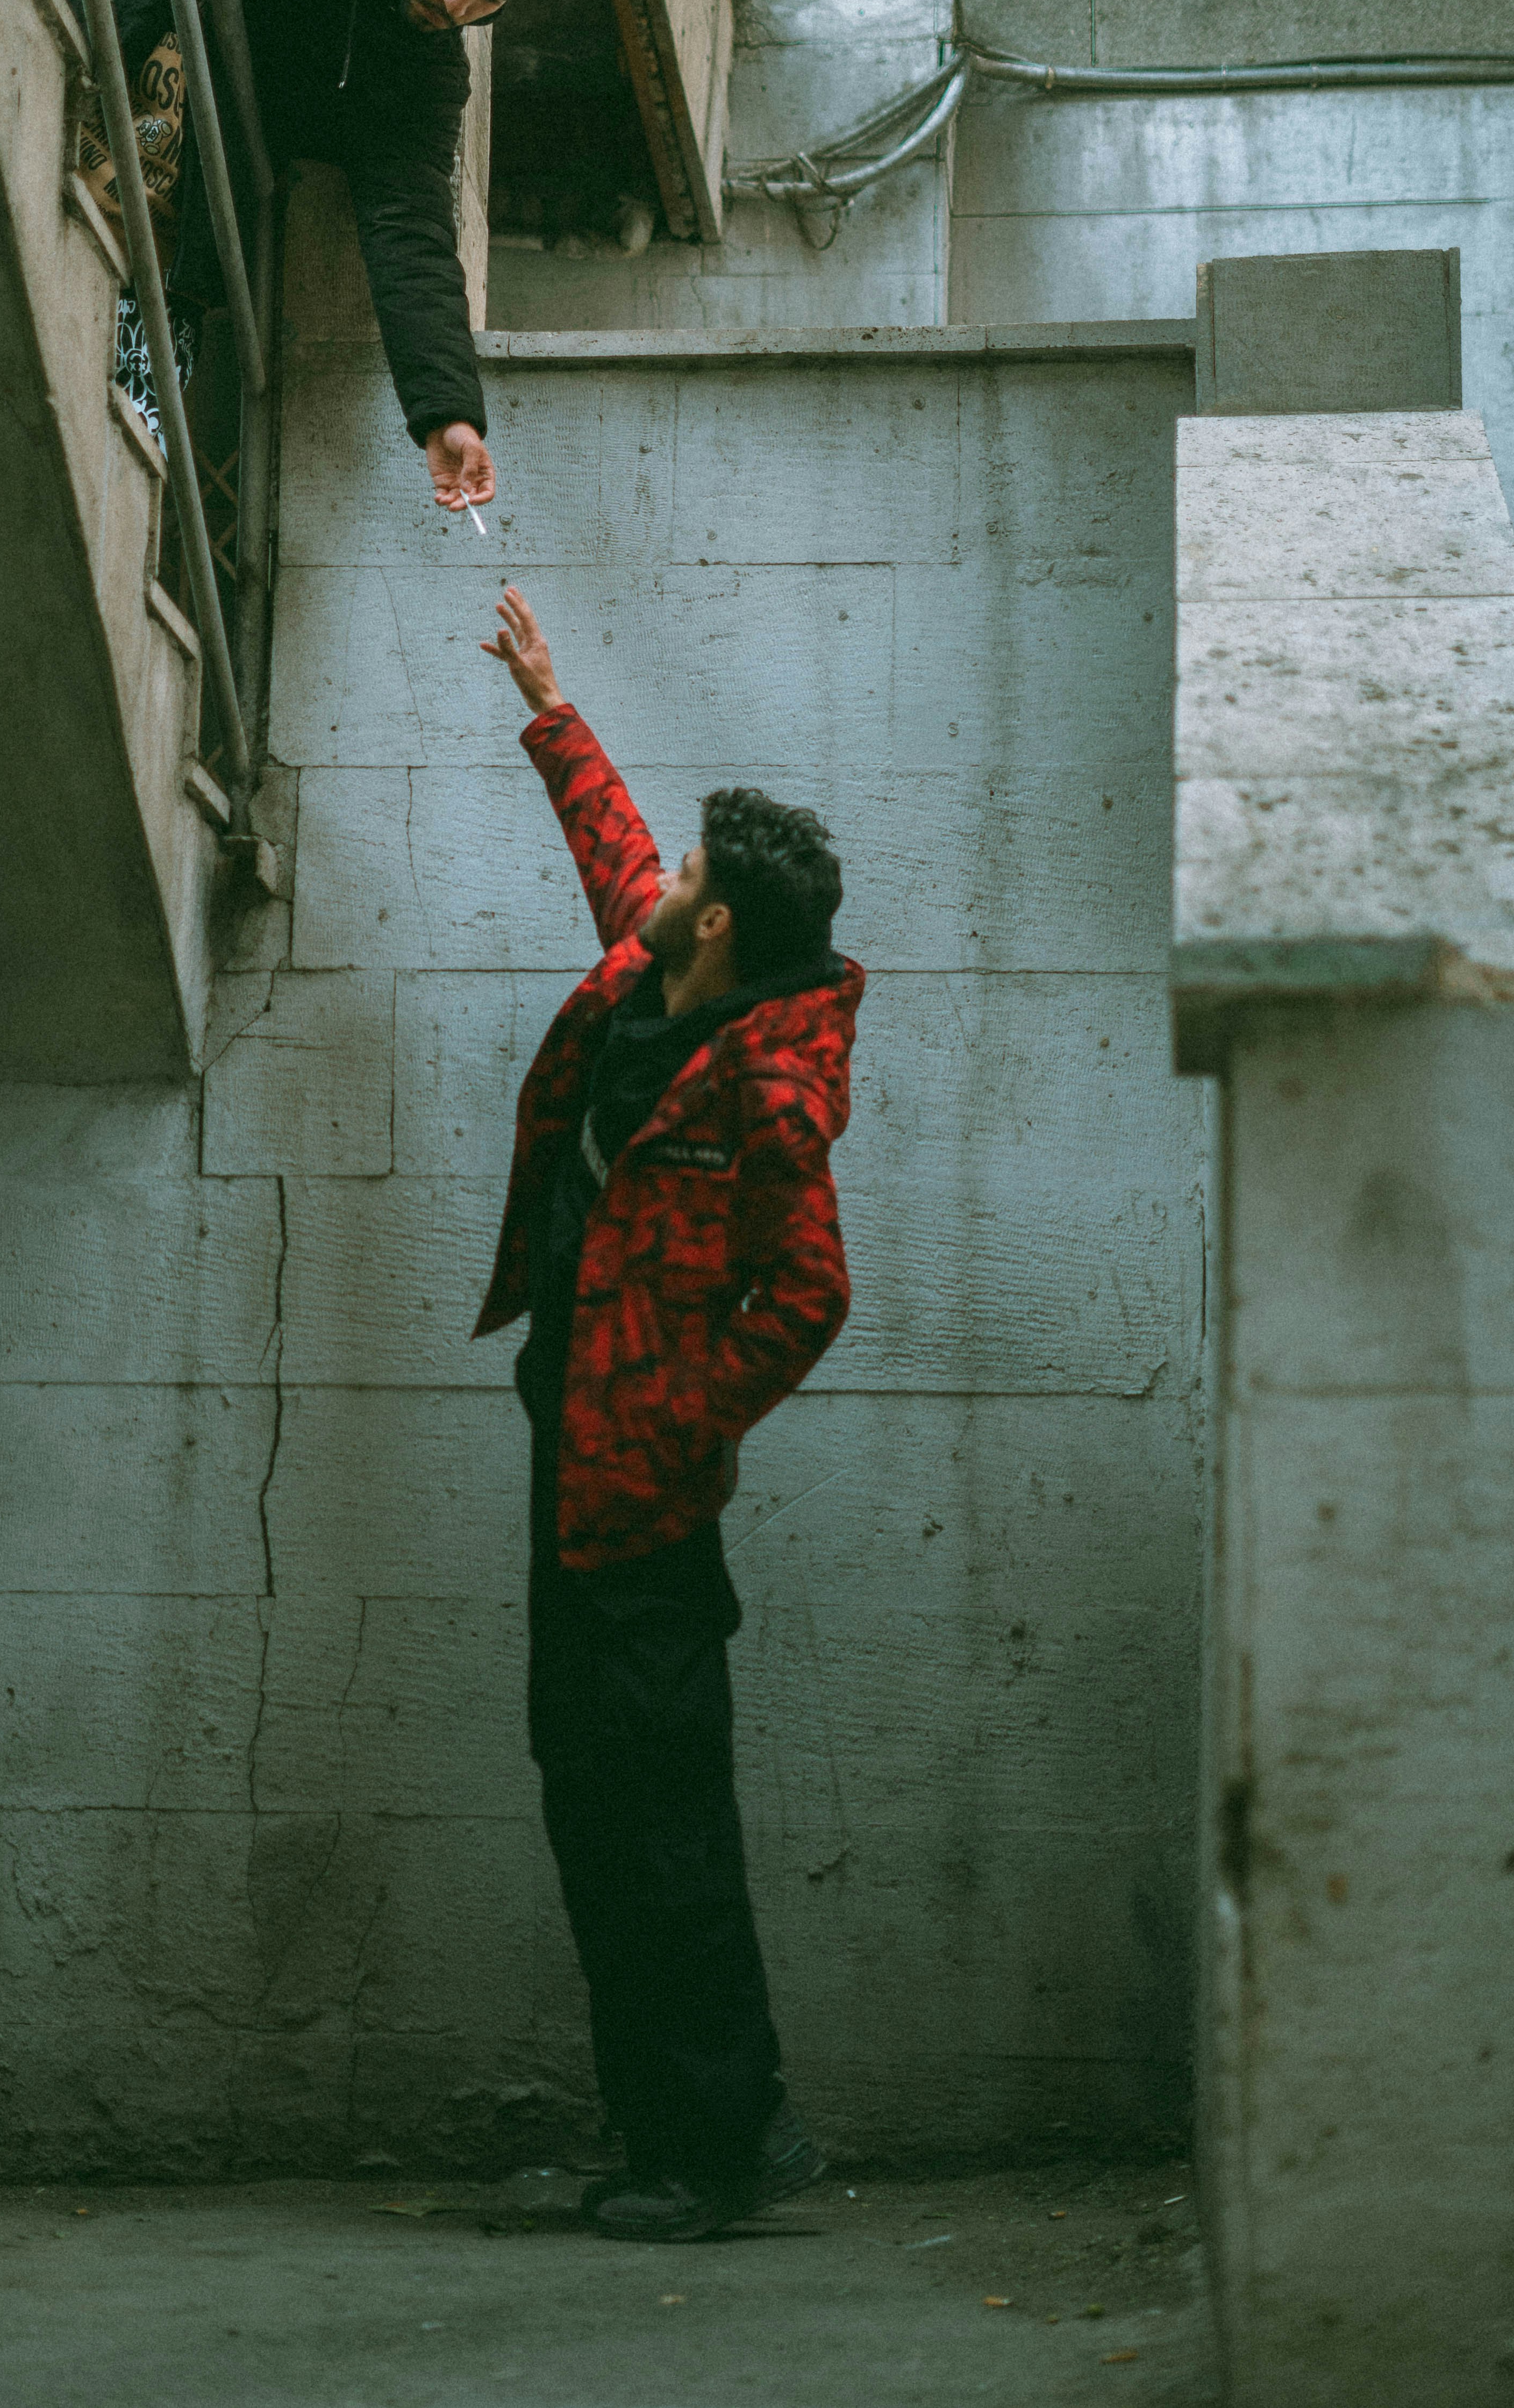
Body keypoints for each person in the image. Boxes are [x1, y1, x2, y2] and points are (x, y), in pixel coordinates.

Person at [476, 585, 865, 2242]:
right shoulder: (658, 981)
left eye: (693, 879)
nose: (666, 883)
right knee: (585, 1784)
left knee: (663, 1825)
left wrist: (675, 1418)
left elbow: (811, 1292)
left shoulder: (766, 1085)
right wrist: (551, 703)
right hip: (572, 1472)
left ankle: (719, 2148)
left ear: (719, 927)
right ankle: (662, 2131)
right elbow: (613, 849)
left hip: (637, 1498)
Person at [102, 0, 567, 512]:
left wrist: (448, 415)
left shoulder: (427, 77)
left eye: (491, 0)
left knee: (118, 447)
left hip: (182, 238)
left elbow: (411, 231)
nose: (460, 5)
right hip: (110, 66)